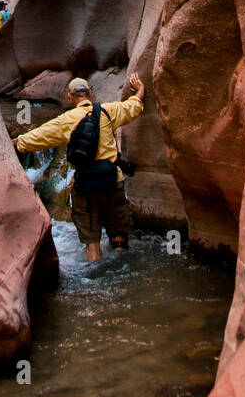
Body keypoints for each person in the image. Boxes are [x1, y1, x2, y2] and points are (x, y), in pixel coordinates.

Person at [12, 73, 146, 261]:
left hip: (85, 187)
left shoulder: (66, 120)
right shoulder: (109, 111)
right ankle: (120, 267)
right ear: (90, 93)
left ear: (70, 96)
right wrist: (139, 89)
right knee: (119, 237)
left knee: (92, 243)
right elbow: (133, 107)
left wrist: (15, 142)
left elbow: (37, 137)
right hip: (112, 183)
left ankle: (95, 278)